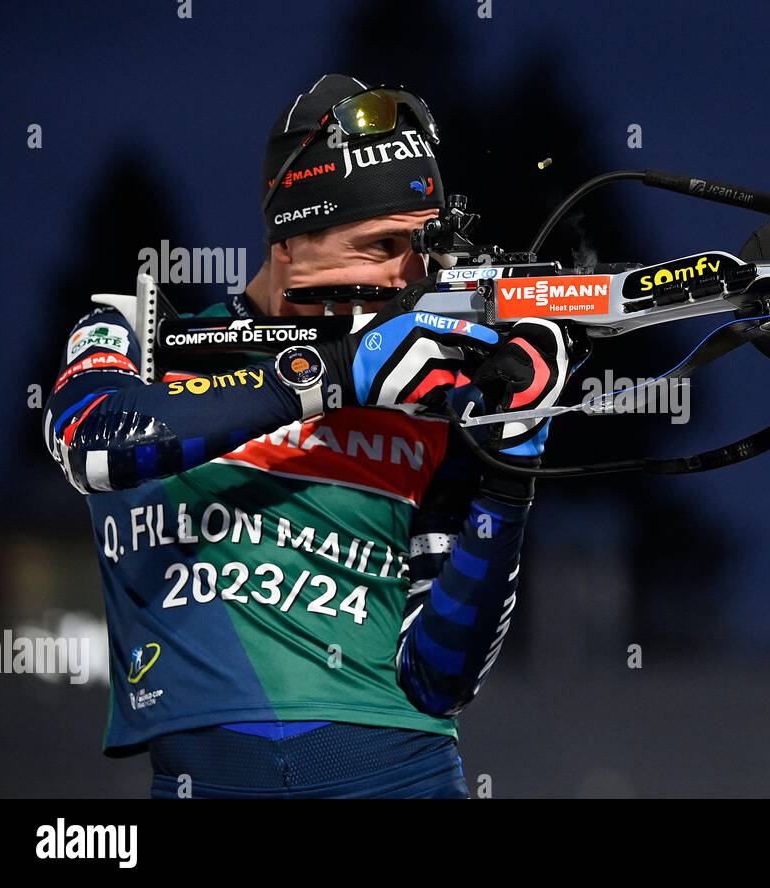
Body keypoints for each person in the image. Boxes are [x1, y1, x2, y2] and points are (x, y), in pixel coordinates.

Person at [41, 74, 575, 798]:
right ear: (290, 243)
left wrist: (511, 467)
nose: (412, 275)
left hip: (403, 777)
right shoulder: (134, 336)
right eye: (385, 243)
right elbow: (91, 439)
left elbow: (441, 679)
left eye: (425, 248)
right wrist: (331, 375)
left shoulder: (425, 393)